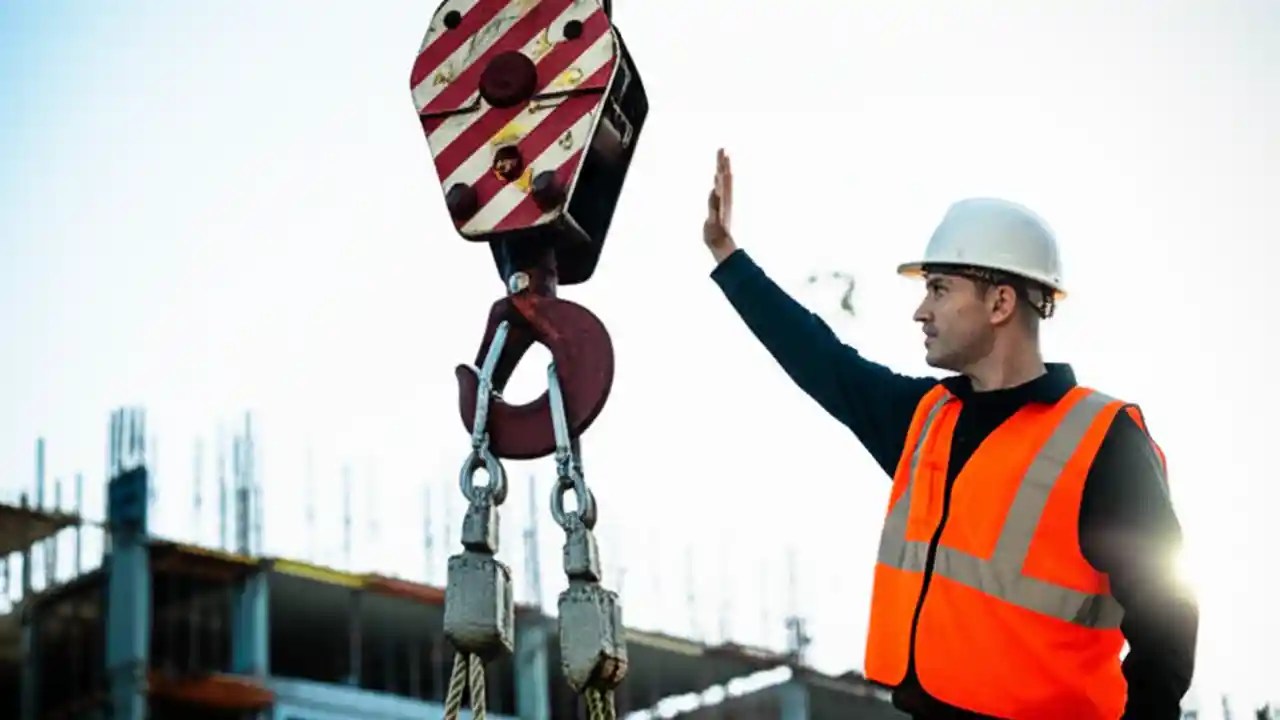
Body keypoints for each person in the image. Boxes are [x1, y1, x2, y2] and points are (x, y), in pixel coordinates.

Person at [702, 149, 1198, 719]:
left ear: (1000, 302)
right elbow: (822, 360)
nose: (920, 310)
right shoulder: (926, 419)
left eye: (939, 288)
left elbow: (1167, 620)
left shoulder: (1102, 441)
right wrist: (728, 258)